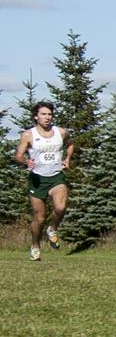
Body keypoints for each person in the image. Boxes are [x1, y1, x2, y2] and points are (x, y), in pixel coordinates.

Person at [13, 100, 71, 260]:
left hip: (56, 177)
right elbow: (18, 156)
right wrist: (26, 161)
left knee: (60, 207)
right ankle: (35, 246)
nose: (47, 117)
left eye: (49, 114)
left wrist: (67, 158)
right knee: (39, 218)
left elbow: (70, 144)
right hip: (37, 179)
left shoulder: (61, 132)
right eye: (43, 114)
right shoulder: (28, 134)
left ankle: (52, 229)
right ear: (36, 117)